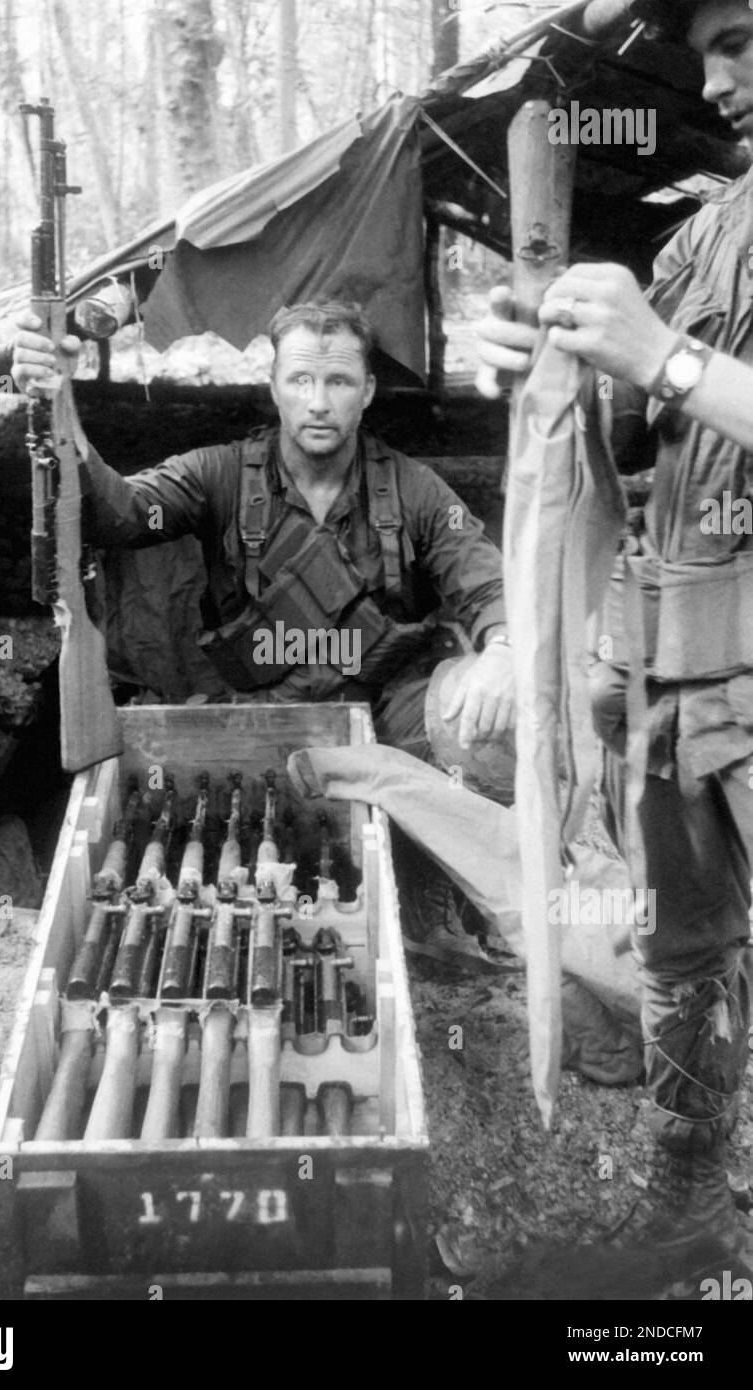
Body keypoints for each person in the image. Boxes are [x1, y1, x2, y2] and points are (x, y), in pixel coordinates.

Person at [477, 0, 753, 1278]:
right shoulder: (700, 238)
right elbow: (640, 442)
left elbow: (681, 378)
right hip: (681, 671)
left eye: (745, 36)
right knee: (680, 952)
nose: (717, 75)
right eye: (708, 48)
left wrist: (672, 359)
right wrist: (556, 362)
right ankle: (684, 1209)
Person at [12, 298, 517, 949]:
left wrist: (503, 649)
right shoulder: (219, 473)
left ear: (365, 391)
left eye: (337, 382)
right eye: (300, 380)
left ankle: (440, 882)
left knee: (501, 714)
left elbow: (485, 580)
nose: (317, 401)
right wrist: (60, 412)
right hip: (258, 722)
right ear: (274, 386)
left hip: (386, 726)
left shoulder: (413, 489)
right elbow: (121, 514)